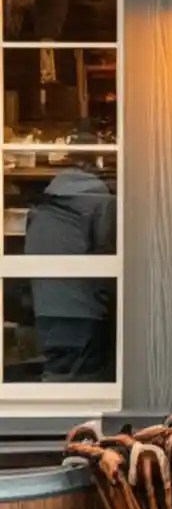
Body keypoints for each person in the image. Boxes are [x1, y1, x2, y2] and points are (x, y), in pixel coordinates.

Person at [25, 159, 116, 383]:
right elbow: (107, 251)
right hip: (84, 308)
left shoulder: (43, 205)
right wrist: (106, 300)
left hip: (45, 307)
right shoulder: (101, 201)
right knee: (85, 379)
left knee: (57, 373)